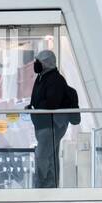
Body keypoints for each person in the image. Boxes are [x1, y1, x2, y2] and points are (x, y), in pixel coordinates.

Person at [26, 50, 70, 189]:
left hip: (51, 125)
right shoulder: (42, 77)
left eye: (38, 61)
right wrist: (32, 106)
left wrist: (37, 107)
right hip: (44, 125)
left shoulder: (55, 79)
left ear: (46, 63)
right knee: (49, 156)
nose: (36, 64)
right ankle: (50, 186)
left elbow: (52, 103)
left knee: (42, 155)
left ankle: (43, 186)